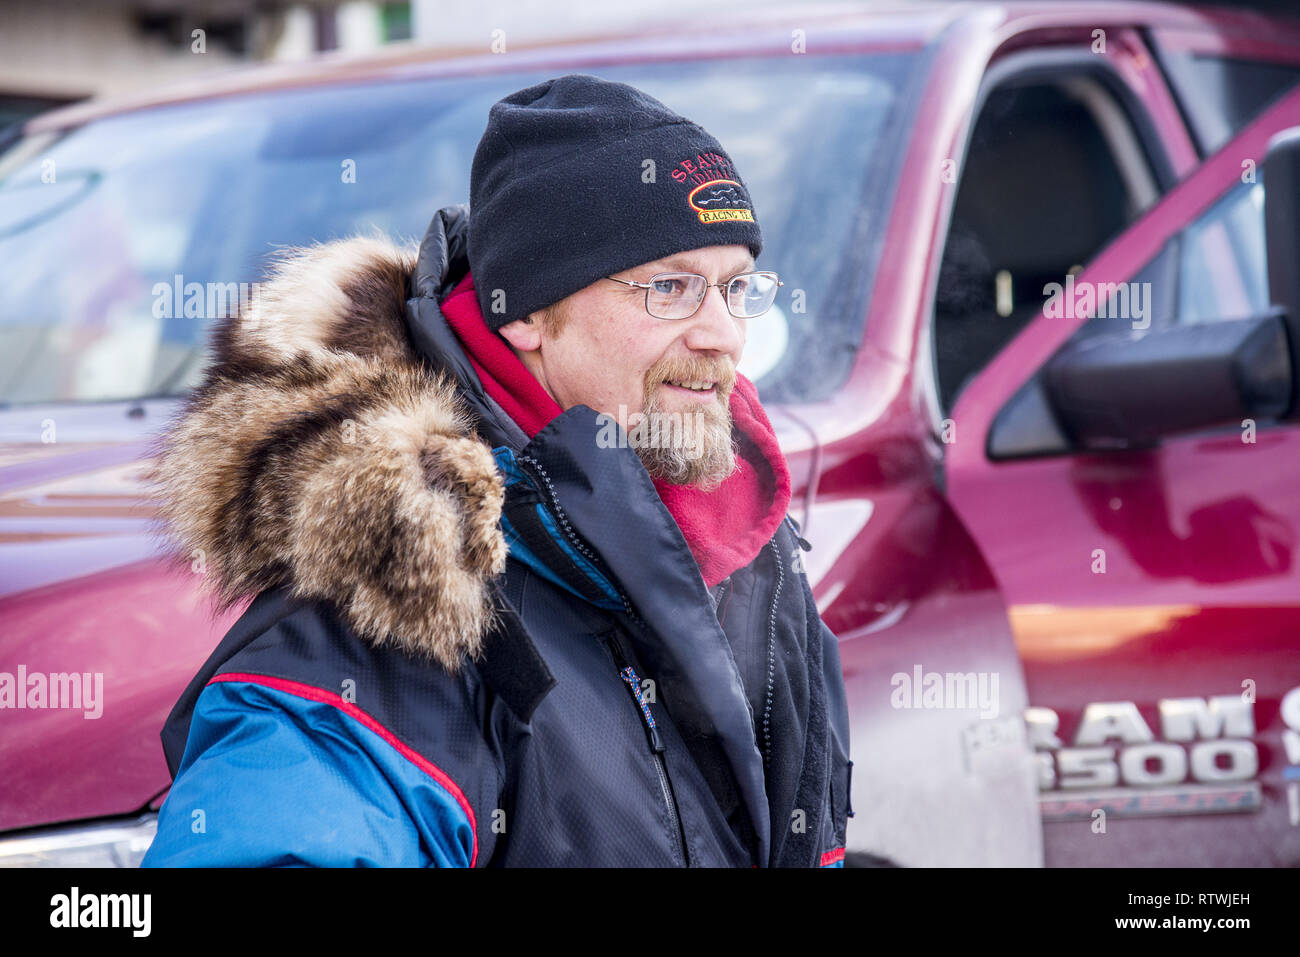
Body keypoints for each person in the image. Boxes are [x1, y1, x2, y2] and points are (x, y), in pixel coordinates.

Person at [142, 73, 852, 868]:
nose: (723, 333)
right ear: (527, 314)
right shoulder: (400, 602)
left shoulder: (752, 548)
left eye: (735, 287)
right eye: (671, 287)